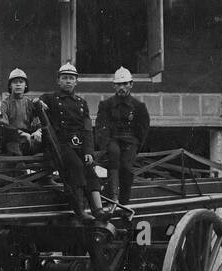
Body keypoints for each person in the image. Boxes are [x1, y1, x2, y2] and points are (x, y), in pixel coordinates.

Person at [30, 61, 105, 223]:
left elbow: (87, 130)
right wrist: (38, 104)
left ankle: (98, 210)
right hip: (58, 145)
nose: (68, 81)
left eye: (71, 78)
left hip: (78, 145)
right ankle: (80, 211)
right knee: (76, 168)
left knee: (89, 169)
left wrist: (88, 152)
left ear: (76, 81)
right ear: (58, 81)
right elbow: (34, 105)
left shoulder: (81, 103)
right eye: (64, 78)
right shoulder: (50, 98)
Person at [95, 66, 149, 206]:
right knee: (114, 154)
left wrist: (136, 146)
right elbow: (101, 126)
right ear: (114, 86)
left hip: (130, 141)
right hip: (113, 139)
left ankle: (124, 201)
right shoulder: (106, 105)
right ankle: (113, 197)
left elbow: (142, 129)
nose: (122, 87)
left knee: (126, 167)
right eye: (119, 84)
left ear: (131, 84)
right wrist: (105, 145)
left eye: (125, 84)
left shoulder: (138, 106)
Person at [2, 67, 42, 156]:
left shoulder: (30, 103)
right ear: (10, 85)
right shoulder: (4, 104)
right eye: (15, 82)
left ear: (25, 85)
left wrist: (38, 132)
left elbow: (38, 123)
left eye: (21, 82)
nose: (18, 84)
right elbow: (4, 125)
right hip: (11, 139)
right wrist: (21, 134)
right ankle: (21, 168)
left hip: (28, 138)